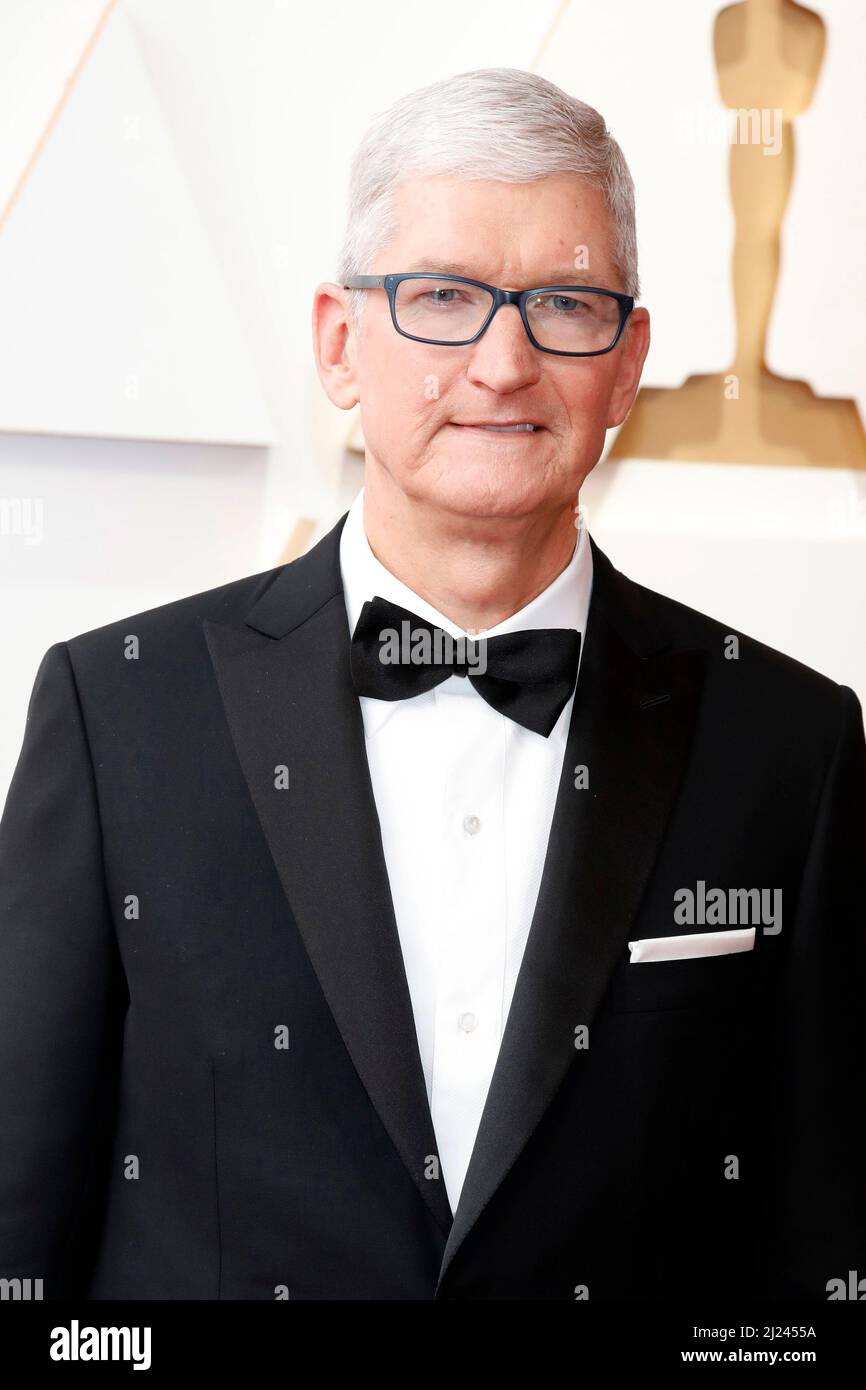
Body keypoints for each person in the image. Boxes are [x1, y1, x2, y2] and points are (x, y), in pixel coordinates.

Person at [0, 67, 863, 1301]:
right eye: (443, 296)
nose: (503, 363)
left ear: (625, 364)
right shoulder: (115, 713)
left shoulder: (793, 745)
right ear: (340, 345)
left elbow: (823, 1254)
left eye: (563, 304)